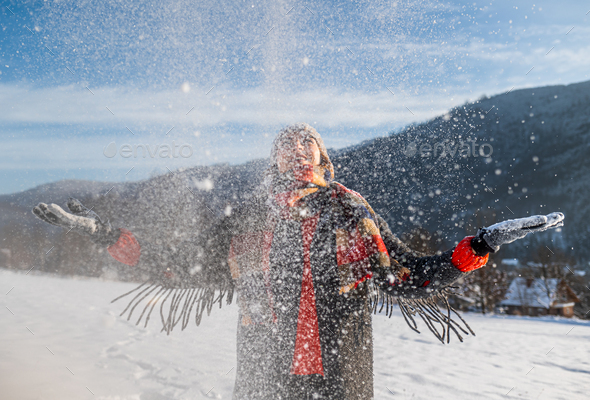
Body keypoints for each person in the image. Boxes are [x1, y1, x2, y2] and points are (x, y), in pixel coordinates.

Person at [33, 123, 564, 399]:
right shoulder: (248, 216)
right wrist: (101, 232)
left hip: (341, 377)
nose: (298, 148)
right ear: (274, 157)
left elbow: (407, 278)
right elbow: (180, 266)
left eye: (307, 141)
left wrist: (483, 244)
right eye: (287, 142)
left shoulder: (349, 210)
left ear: (321, 156)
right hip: (265, 377)